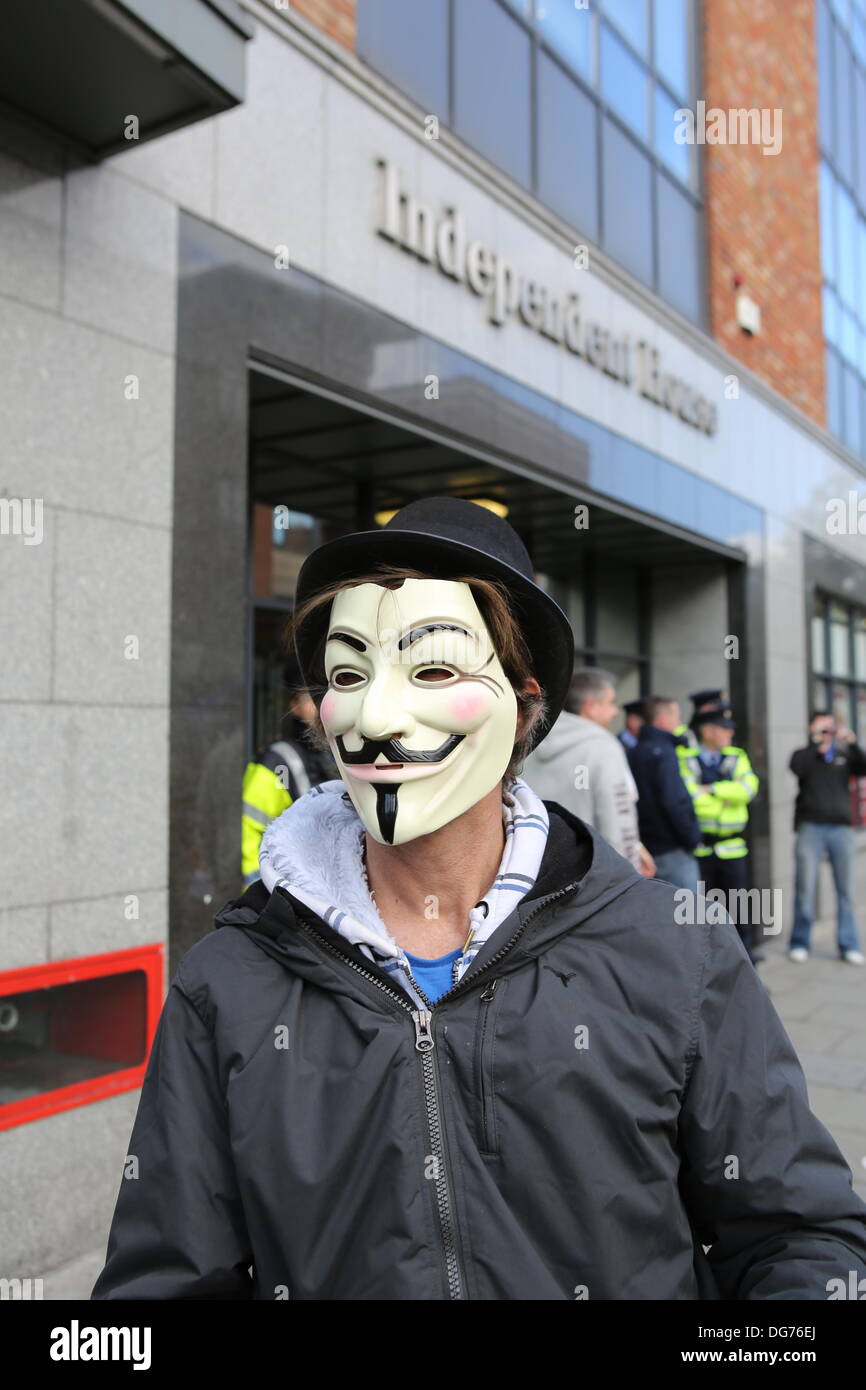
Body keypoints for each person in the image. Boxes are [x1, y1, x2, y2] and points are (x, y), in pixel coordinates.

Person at [91, 498, 866, 1301]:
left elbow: (798, 1235)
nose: (378, 714)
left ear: (524, 705)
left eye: (433, 670)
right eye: (349, 674)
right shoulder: (228, 981)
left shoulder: (677, 950)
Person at [523, 668, 654, 876]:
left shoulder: (528, 737)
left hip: (529, 869)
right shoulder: (603, 745)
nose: (615, 711)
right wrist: (630, 874)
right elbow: (616, 820)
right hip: (588, 875)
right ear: (591, 707)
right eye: (610, 702)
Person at [241, 655, 337, 886]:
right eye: (310, 696)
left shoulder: (345, 754)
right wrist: (267, 900)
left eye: (325, 693)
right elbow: (248, 837)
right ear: (293, 706)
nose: (319, 703)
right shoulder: (278, 761)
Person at [679, 705, 762, 966]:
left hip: (732, 849)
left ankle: (745, 965)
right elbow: (689, 797)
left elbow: (748, 789)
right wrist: (727, 795)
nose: (730, 733)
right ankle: (709, 968)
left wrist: (711, 789)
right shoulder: (686, 757)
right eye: (725, 729)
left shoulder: (737, 756)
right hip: (700, 850)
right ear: (708, 731)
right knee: (701, 914)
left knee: (740, 911)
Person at [787, 710, 866, 965]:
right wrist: (815, 744)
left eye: (829, 727)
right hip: (811, 828)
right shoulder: (805, 755)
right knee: (805, 888)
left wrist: (851, 742)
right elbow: (798, 769)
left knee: (846, 891)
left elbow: (863, 767)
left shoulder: (844, 753)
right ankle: (800, 941)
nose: (827, 731)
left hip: (841, 829)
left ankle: (849, 944)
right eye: (821, 727)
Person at [628, 696, 701, 892]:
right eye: (675, 716)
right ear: (661, 719)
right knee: (687, 916)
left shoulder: (634, 750)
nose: (679, 722)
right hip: (672, 849)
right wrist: (692, 837)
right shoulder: (664, 752)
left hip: (647, 848)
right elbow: (674, 801)